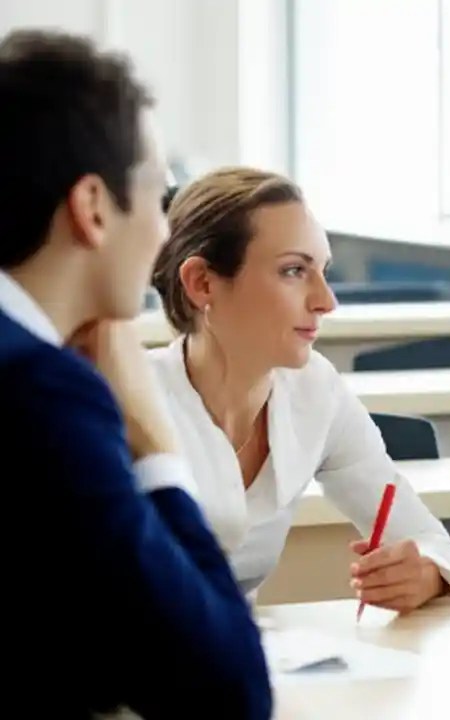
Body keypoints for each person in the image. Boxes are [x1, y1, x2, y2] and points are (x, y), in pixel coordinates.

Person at [0, 29, 270, 718]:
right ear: (92, 207)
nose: (162, 233)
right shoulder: (42, 391)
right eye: (158, 195)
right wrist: (153, 440)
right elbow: (227, 690)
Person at [149, 167, 450, 608]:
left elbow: (426, 539)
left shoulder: (316, 390)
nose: (326, 300)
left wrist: (424, 574)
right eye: (294, 270)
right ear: (202, 283)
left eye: (323, 271)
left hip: (238, 659)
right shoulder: (128, 403)